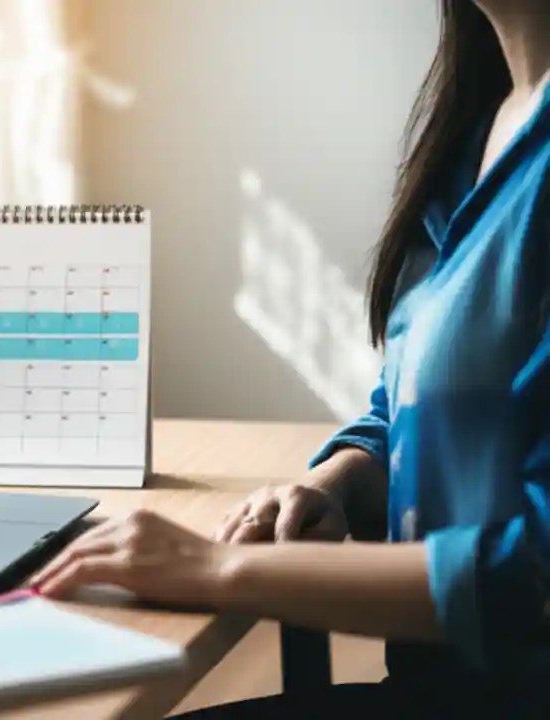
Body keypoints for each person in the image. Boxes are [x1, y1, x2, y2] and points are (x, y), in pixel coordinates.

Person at [32, 1, 550, 717]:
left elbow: (537, 578)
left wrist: (222, 567)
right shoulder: (483, 125)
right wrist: (338, 481)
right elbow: (418, 408)